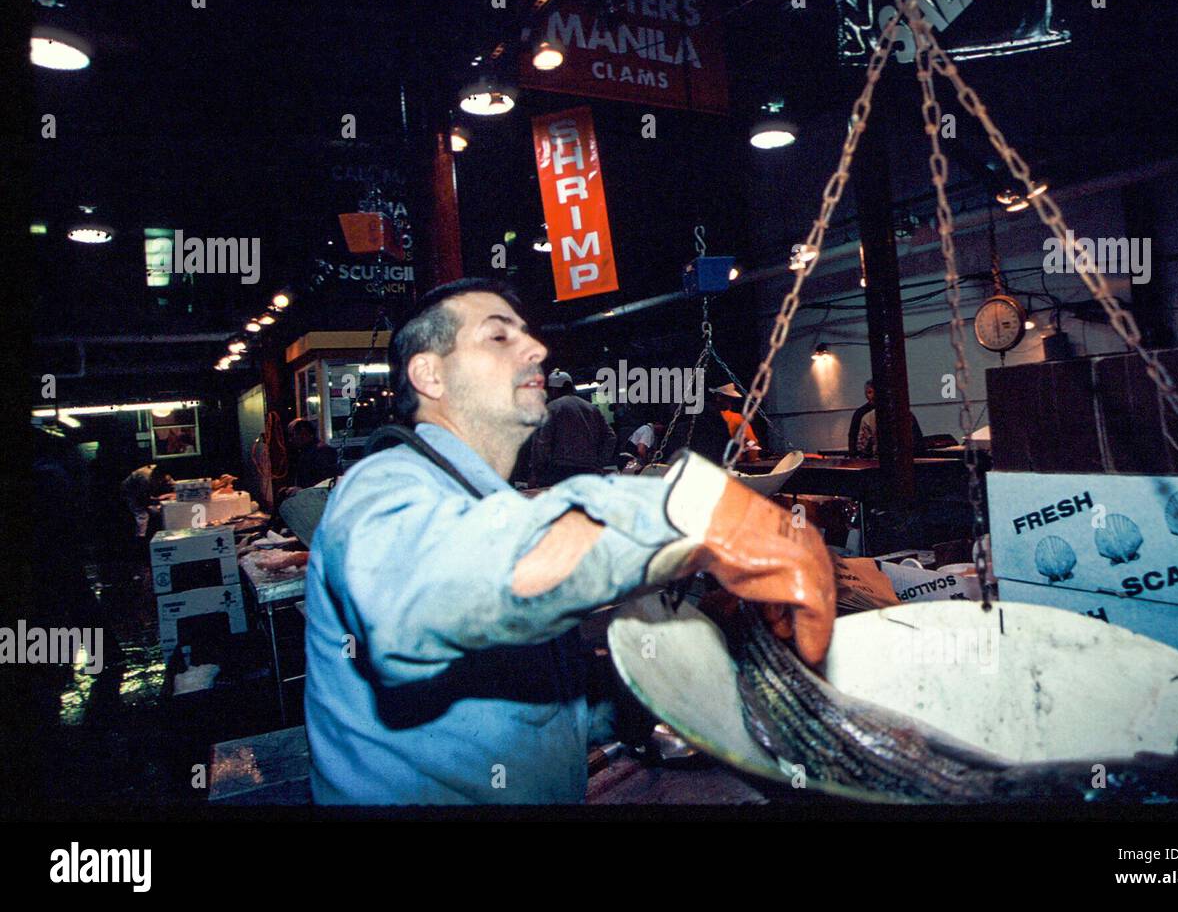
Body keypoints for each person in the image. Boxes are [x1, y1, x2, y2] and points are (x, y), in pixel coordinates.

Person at [303, 278, 836, 805]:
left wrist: (683, 661)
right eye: (498, 336)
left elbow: (520, 699)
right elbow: (419, 601)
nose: (535, 347)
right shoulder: (381, 487)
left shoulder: (489, 506)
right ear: (430, 374)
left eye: (527, 335)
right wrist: (698, 514)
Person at [529, 370, 618, 488]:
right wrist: (600, 462)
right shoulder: (591, 408)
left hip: (559, 473)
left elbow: (542, 443)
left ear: (554, 389)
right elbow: (611, 436)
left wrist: (536, 472)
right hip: (589, 471)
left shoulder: (552, 408)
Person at [848, 379, 924, 458]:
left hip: (878, 459)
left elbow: (862, 446)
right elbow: (853, 438)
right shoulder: (861, 414)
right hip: (900, 458)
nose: (873, 396)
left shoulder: (866, 416)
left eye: (875, 392)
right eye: (870, 392)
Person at [120, 462, 174, 542]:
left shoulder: (164, 475)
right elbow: (142, 499)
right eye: (159, 479)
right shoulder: (144, 478)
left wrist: (168, 495)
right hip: (131, 492)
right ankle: (140, 539)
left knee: (158, 509)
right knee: (142, 516)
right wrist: (155, 502)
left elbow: (174, 486)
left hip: (146, 492)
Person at [713, 383, 762, 462]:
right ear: (730, 401)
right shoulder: (736, 418)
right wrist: (752, 458)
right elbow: (752, 441)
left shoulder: (707, 417)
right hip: (732, 462)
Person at [286, 418, 338, 489]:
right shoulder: (304, 452)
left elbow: (325, 481)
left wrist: (301, 490)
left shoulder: (323, 452)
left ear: (304, 433)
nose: (290, 439)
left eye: (292, 435)